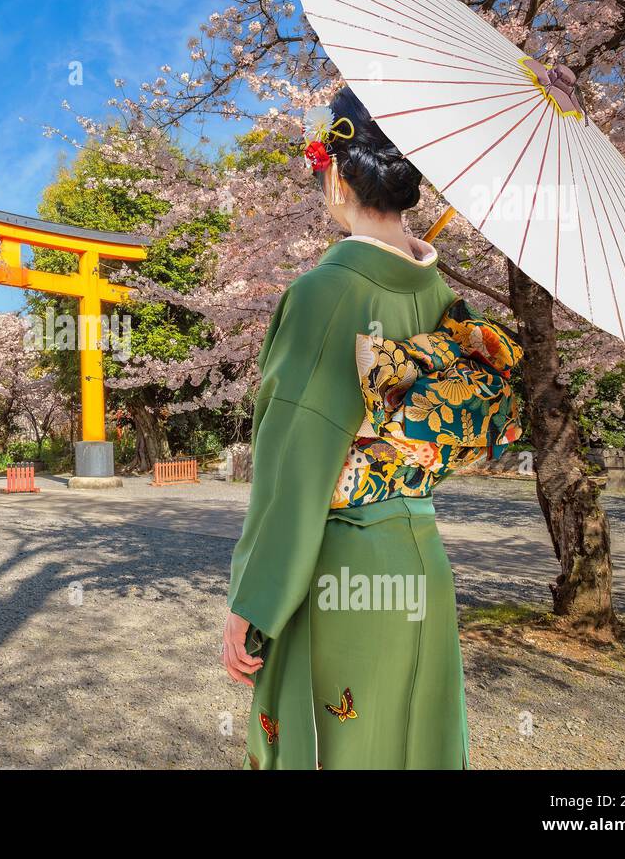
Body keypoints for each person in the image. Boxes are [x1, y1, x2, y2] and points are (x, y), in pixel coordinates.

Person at [222, 85, 521, 769]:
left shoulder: (323, 295)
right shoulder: (444, 298)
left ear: (335, 172)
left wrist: (254, 599)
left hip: (340, 565)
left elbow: (294, 469)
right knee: (411, 740)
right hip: (419, 553)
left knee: (341, 748)